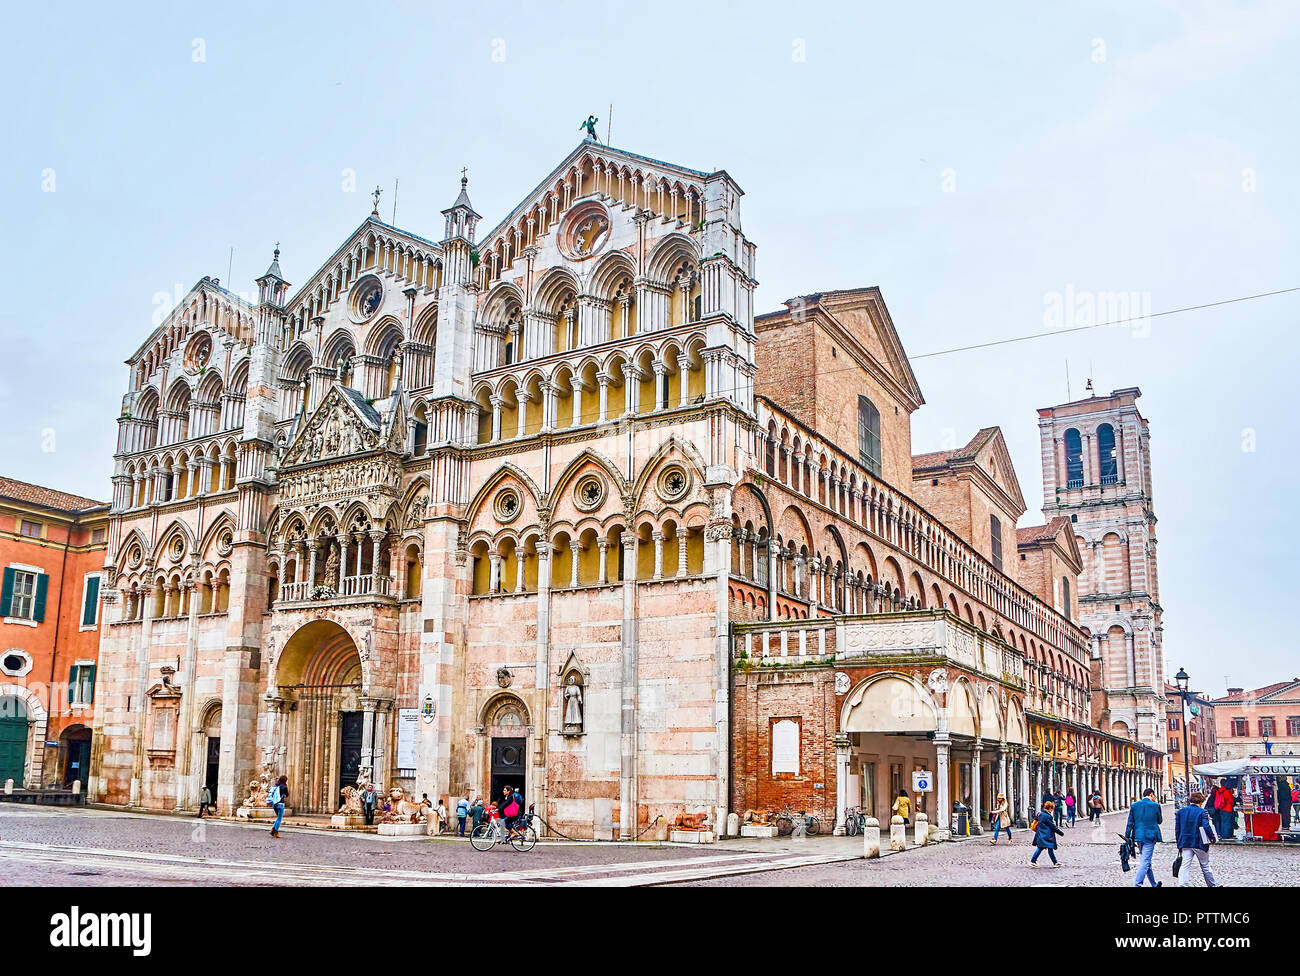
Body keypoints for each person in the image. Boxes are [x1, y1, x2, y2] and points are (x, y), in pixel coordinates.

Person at [1175, 792, 1221, 888]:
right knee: (1205, 865)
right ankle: (1213, 885)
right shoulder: (1202, 812)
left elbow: (1177, 829)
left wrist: (1179, 843)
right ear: (1200, 802)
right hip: (1199, 842)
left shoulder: (1181, 812)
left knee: (1185, 865)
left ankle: (1182, 885)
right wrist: (1212, 838)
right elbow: (1206, 827)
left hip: (1185, 842)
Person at [1125, 787, 1164, 888]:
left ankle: (1154, 884)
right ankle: (1138, 884)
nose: (1155, 798)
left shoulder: (1134, 805)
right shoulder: (1155, 805)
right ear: (1151, 794)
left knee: (1146, 860)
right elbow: (1159, 820)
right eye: (1154, 796)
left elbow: (1130, 823)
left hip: (1138, 836)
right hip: (1150, 836)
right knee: (1145, 861)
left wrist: (1127, 837)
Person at [1030, 800, 1064, 866]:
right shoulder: (1047, 816)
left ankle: (1055, 862)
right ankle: (1033, 861)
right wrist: (1060, 832)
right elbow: (1052, 826)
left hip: (1041, 834)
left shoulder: (1040, 814)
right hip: (1046, 835)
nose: (1052, 810)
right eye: (1052, 809)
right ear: (1050, 808)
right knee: (1041, 848)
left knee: (1048, 848)